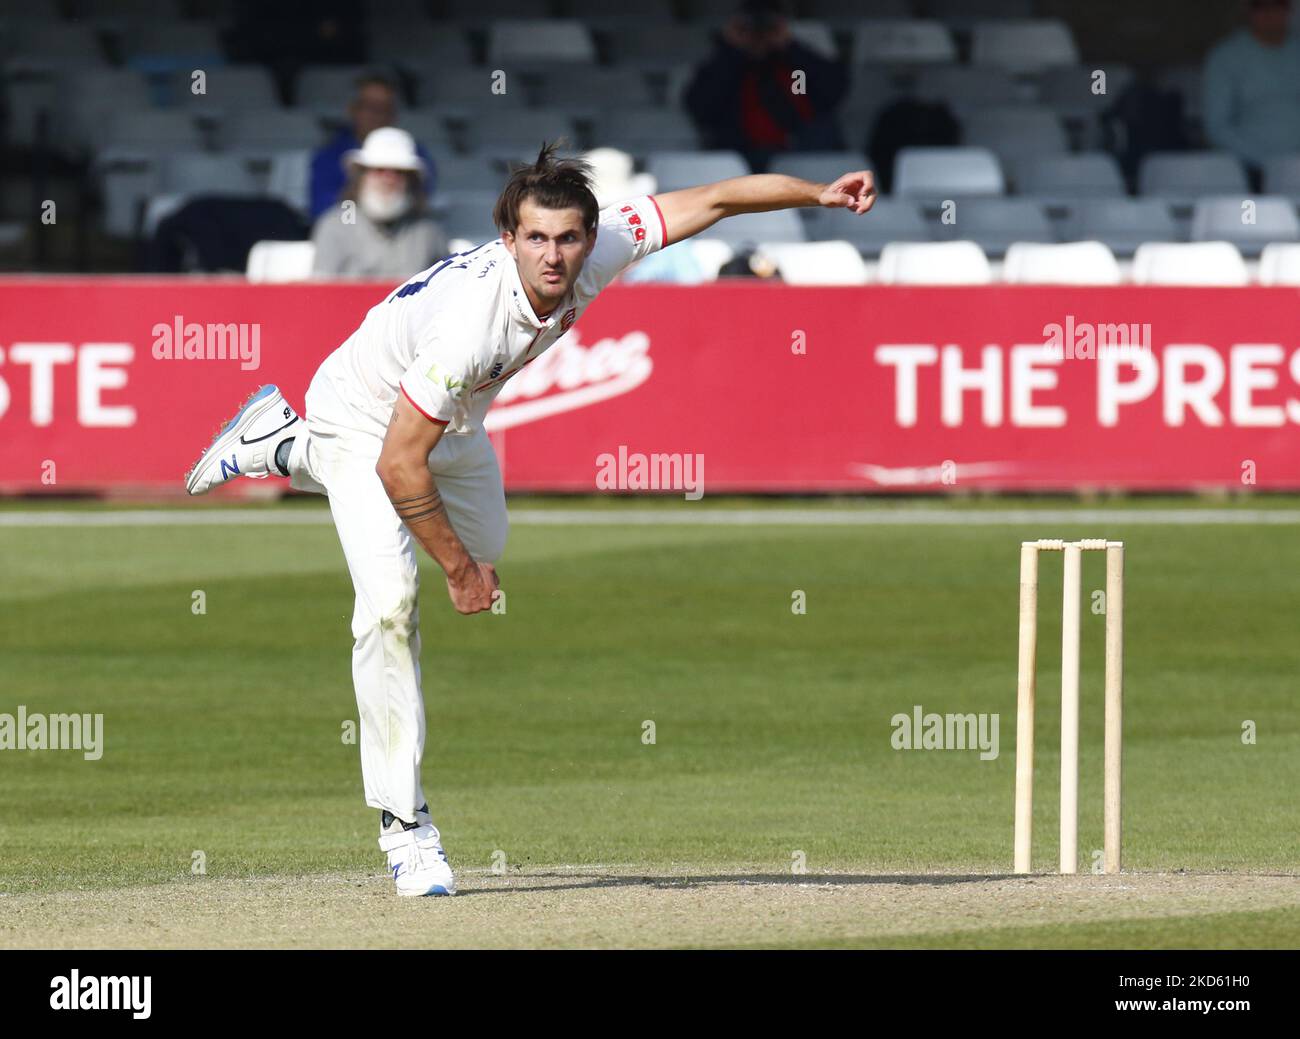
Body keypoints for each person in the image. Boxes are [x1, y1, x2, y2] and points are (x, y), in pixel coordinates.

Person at [182, 142, 876, 897]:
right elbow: (397, 465)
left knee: (490, 544)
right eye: (536, 239)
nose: (554, 256)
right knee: (390, 605)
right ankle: (405, 826)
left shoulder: (602, 243)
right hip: (363, 421)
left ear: (591, 233)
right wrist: (457, 573)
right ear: (507, 238)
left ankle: (280, 442)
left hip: (450, 426)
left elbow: (711, 200)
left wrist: (820, 193)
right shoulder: (468, 327)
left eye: (569, 238)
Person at [684, 0, 848, 171]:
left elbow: (833, 91)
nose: (759, 34)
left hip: (802, 152)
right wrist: (731, 50)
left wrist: (790, 46)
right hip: (745, 160)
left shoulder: (796, 65)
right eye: (749, 27)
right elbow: (700, 107)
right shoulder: (726, 66)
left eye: (768, 26)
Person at [311, 127, 449, 279]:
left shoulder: (429, 230)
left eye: (399, 172)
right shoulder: (334, 225)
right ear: (361, 176)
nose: (388, 179)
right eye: (379, 170)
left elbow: (444, 291)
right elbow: (320, 294)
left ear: (411, 181)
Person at [310, 74, 436, 221]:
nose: (377, 114)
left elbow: (420, 204)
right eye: (370, 107)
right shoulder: (330, 157)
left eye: (385, 108)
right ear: (353, 110)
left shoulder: (413, 155)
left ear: (394, 114)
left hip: (401, 235)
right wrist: (353, 196)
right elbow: (323, 211)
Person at [1203, 0, 1300, 184]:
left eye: (1277, 7)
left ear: (1288, 11)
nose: (1270, 15)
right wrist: (1265, 160)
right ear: (1250, 11)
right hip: (1249, 169)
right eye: (1262, 8)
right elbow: (1217, 126)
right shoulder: (1225, 57)